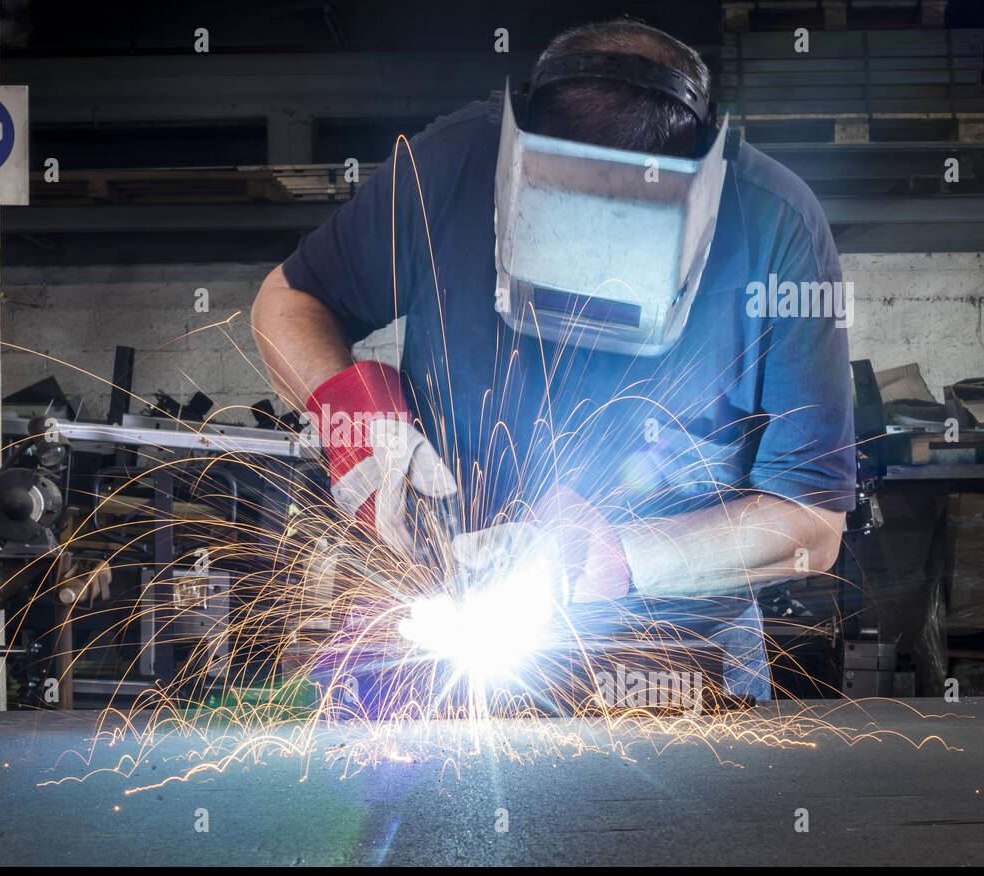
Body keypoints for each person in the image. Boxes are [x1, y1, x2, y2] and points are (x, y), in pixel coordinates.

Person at [250, 19, 856, 702]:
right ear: (516, 178)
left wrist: (625, 555)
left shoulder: (778, 227)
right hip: (453, 626)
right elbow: (289, 301)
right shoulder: (454, 167)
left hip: (679, 647)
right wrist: (362, 429)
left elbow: (812, 522)